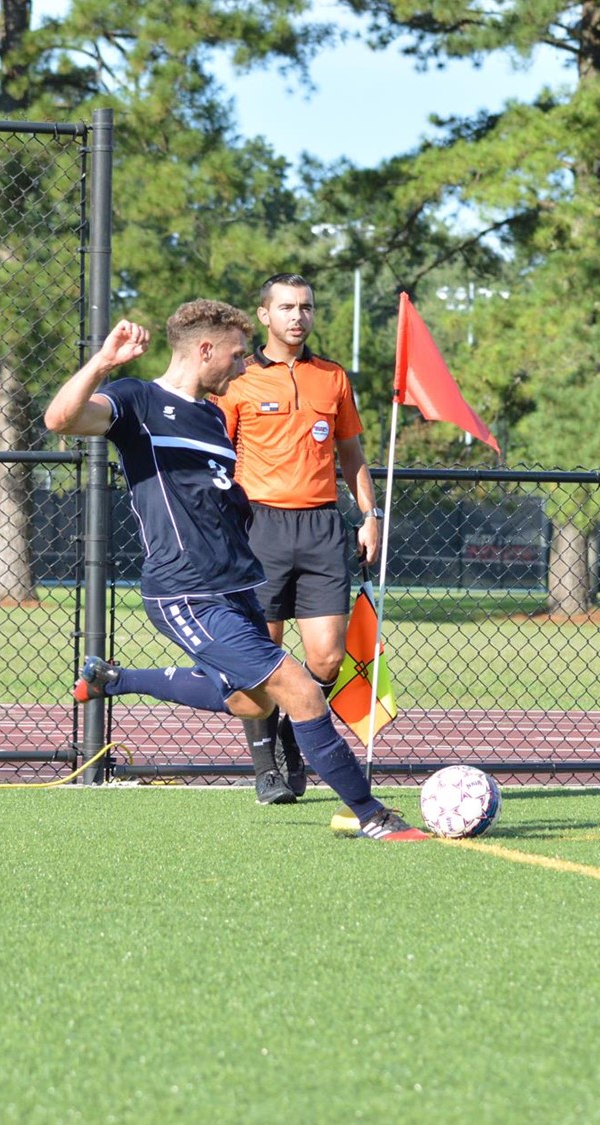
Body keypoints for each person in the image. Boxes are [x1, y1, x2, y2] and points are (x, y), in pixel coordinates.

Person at [42, 300, 426, 841]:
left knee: (252, 699)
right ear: (204, 351)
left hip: (239, 583)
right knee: (302, 690)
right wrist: (102, 363)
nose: (243, 366)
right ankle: (373, 815)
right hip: (186, 590)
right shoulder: (136, 400)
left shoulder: (212, 416)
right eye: (236, 354)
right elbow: (59, 419)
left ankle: (116, 678)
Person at [213, 274, 382, 806]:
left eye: (305, 307)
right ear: (264, 315)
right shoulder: (237, 380)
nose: (297, 317)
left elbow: (351, 455)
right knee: (260, 658)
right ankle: (267, 767)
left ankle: (295, 723)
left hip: (321, 529)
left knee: (327, 658)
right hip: (257, 530)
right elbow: (214, 460)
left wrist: (369, 514)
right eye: (286, 307)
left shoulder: (332, 378)